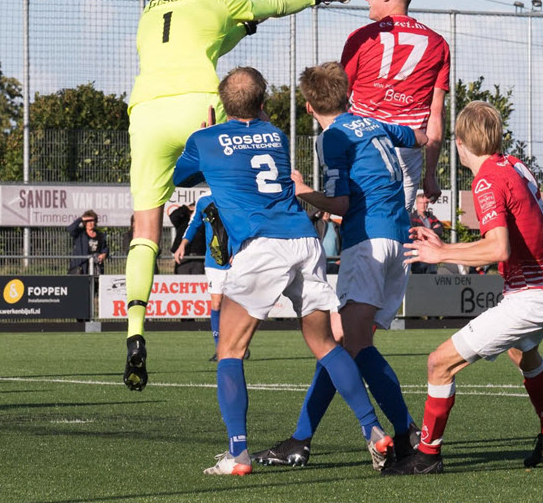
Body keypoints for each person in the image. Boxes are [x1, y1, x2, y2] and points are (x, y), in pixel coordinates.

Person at [123, 0, 350, 392]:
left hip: (147, 114)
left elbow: (204, 43)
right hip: (198, 105)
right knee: (248, 172)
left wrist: (242, 27)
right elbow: (273, 6)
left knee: (144, 228)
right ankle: (277, 259)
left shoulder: (146, 19)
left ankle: (135, 330)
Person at [173, 66, 394, 476]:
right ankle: (373, 430)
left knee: (230, 350)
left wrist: (208, 137)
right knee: (326, 345)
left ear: (223, 103)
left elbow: (181, 175)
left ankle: (237, 455)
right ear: (262, 102)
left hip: (261, 247)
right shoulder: (277, 136)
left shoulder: (205, 138)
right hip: (303, 240)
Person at [384, 101, 543, 476]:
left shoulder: (487, 178)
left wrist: (440, 252)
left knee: (439, 363)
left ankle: (427, 456)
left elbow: (498, 247)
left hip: (533, 293)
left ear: (458, 142)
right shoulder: (513, 164)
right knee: (523, 354)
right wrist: (448, 248)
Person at [254, 61, 426, 469]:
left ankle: (406, 433)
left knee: (355, 346)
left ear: (310, 107)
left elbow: (342, 204)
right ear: (347, 95)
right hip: (397, 240)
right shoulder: (373, 121)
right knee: (337, 344)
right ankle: (300, 439)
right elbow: (418, 137)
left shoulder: (332, 138)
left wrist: (302, 191)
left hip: (366, 242)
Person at [341, 0, 450, 210]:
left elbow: (339, 101)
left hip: (364, 147)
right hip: (407, 151)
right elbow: (436, 114)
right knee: (397, 231)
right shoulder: (438, 44)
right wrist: (430, 174)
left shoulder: (361, 38)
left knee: (360, 228)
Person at [173, 193, 242, 362]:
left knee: (236, 304)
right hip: (214, 262)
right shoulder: (204, 200)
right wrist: (183, 244)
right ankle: (220, 348)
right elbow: (194, 223)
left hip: (237, 259)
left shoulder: (235, 195)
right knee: (217, 303)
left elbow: (242, 226)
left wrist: (239, 250)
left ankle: (240, 344)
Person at [410, 192, 445, 273]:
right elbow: (414, 234)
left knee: (432, 277)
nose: (423, 205)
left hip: (432, 252)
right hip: (418, 252)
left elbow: (440, 230)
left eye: (426, 203)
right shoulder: (412, 218)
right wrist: (431, 232)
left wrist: (423, 231)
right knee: (418, 278)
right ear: (416, 204)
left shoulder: (432, 217)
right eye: (421, 203)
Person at [66, 210, 109, 275]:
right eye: (88, 221)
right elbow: (70, 229)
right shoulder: (80, 233)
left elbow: (105, 249)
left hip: (95, 268)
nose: (90, 223)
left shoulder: (100, 235)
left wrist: (103, 254)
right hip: (81, 267)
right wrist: (81, 219)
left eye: (92, 221)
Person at [168, 202, 205, 275]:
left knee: (197, 282)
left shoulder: (202, 222)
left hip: (198, 257)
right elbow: (173, 216)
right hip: (183, 257)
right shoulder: (182, 221)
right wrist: (186, 208)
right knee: (182, 281)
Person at [310, 209, 341, 274]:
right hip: (319, 262)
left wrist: (341, 259)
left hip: (334, 263)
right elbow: (308, 216)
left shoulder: (337, 226)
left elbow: (343, 243)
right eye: (324, 211)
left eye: (328, 211)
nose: (326, 214)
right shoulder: (316, 222)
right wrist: (319, 206)